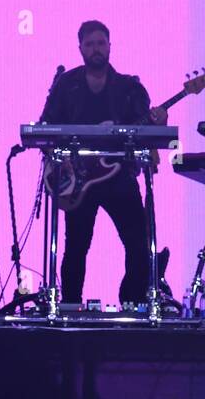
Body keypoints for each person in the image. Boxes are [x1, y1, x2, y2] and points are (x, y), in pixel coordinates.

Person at [40, 21, 167, 308]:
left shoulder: (130, 88)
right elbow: (47, 127)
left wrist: (161, 121)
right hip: (79, 180)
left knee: (137, 244)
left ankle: (132, 302)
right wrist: (65, 163)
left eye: (100, 43)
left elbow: (148, 135)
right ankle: (71, 307)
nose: (95, 49)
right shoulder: (66, 85)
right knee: (75, 247)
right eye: (89, 44)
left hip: (119, 177)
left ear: (110, 45)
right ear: (80, 49)